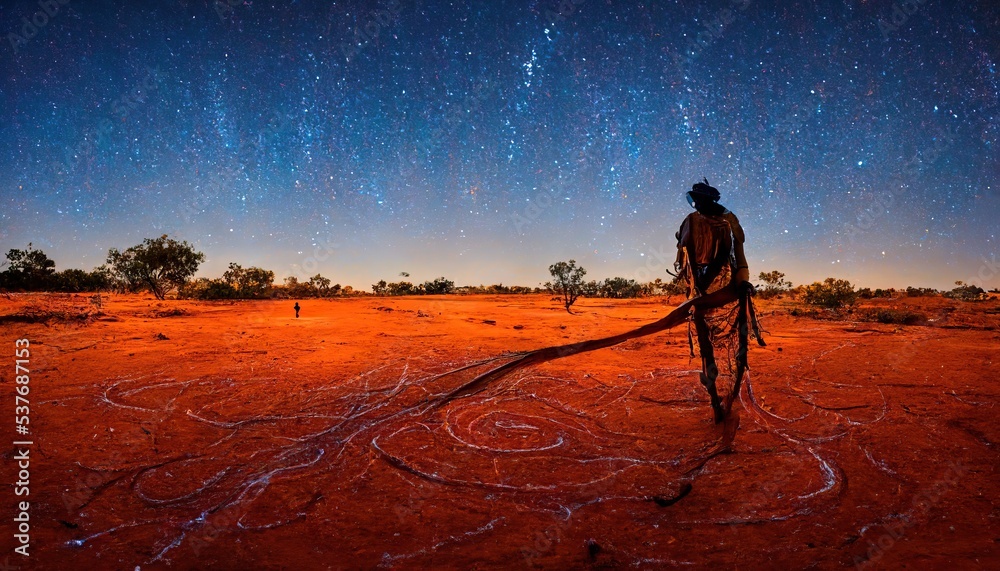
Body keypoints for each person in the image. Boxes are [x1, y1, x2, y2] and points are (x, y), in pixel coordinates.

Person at [673, 178, 755, 422]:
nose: (697, 203)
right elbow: (686, 252)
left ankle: (723, 396)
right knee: (706, 342)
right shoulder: (695, 221)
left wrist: (741, 282)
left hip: (718, 287)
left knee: (725, 341)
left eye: (699, 199)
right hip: (706, 289)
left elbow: (737, 250)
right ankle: (714, 397)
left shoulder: (726, 222)